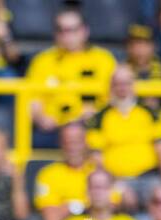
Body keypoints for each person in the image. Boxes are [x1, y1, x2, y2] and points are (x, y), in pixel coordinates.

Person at [85, 64, 161, 207]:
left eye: (126, 83)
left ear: (133, 85)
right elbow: (97, 158)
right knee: (124, 198)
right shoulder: (99, 118)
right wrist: (114, 183)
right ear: (111, 87)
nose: (122, 88)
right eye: (117, 84)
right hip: (117, 180)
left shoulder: (149, 114)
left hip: (150, 176)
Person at [24, 7, 116, 149]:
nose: (67, 35)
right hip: (54, 129)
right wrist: (41, 118)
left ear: (85, 31)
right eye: (61, 30)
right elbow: (32, 100)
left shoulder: (104, 60)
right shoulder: (42, 61)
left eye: (72, 30)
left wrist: (96, 115)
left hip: (91, 127)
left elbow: (113, 98)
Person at [33, 121, 98, 220]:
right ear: (60, 143)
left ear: (86, 142)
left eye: (77, 142)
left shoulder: (99, 171)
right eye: (67, 142)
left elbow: (113, 206)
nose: (72, 147)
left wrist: (69, 207)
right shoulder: (48, 174)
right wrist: (87, 206)